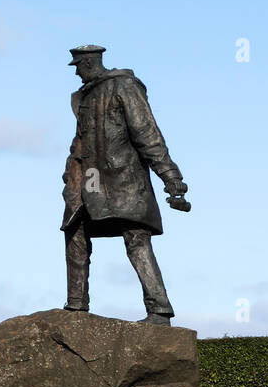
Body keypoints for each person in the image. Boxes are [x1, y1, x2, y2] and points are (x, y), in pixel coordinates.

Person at [61, 45, 190, 325]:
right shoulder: (86, 95)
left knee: (136, 238)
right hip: (89, 181)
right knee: (75, 231)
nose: (78, 73)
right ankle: (76, 306)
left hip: (123, 180)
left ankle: (159, 310)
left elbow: (146, 132)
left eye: (79, 66)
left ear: (88, 62)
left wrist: (170, 176)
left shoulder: (124, 86)